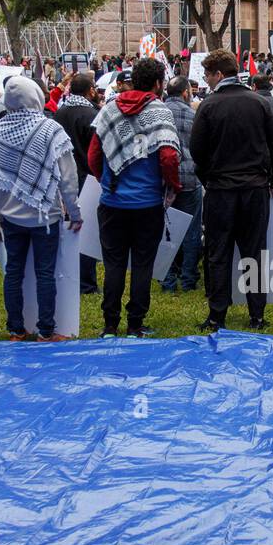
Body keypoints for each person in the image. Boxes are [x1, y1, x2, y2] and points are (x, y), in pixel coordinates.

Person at [0, 75, 82, 342]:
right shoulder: (50, 130)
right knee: (45, 273)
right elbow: (68, 178)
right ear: (35, 96)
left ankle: (15, 329)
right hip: (45, 216)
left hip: (10, 217)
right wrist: (75, 212)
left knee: (13, 272)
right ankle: (45, 330)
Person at [189, 48, 273, 331]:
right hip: (255, 189)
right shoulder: (259, 103)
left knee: (218, 253)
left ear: (219, 74)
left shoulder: (208, 106)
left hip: (220, 190)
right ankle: (257, 314)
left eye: (207, 75)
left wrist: (208, 177)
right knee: (254, 253)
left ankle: (217, 315)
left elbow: (197, 150)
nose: (206, 80)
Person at [87, 58, 181, 338]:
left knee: (114, 264)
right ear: (157, 83)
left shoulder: (109, 109)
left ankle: (109, 324)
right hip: (147, 203)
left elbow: (94, 154)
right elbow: (168, 156)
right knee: (143, 264)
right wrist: (172, 186)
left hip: (113, 202)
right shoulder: (160, 112)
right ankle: (136, 324)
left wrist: (106, 178)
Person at [53, 72, 101, 294]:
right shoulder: (92, 114)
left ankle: (67, 275)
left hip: (62, 178)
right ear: (90, 90)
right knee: (87, 231)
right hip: (87, 177)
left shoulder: (59, 113)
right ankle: (87, 283)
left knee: (67, 228)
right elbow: (98, 150)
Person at [160, 75, 203, 294]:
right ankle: (188, 279)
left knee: (164, 230)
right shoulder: (193, 114)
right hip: (189, 178)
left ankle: (167, 279)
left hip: (162, 180)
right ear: (185, 92)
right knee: (191, 230)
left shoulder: (157, 113)